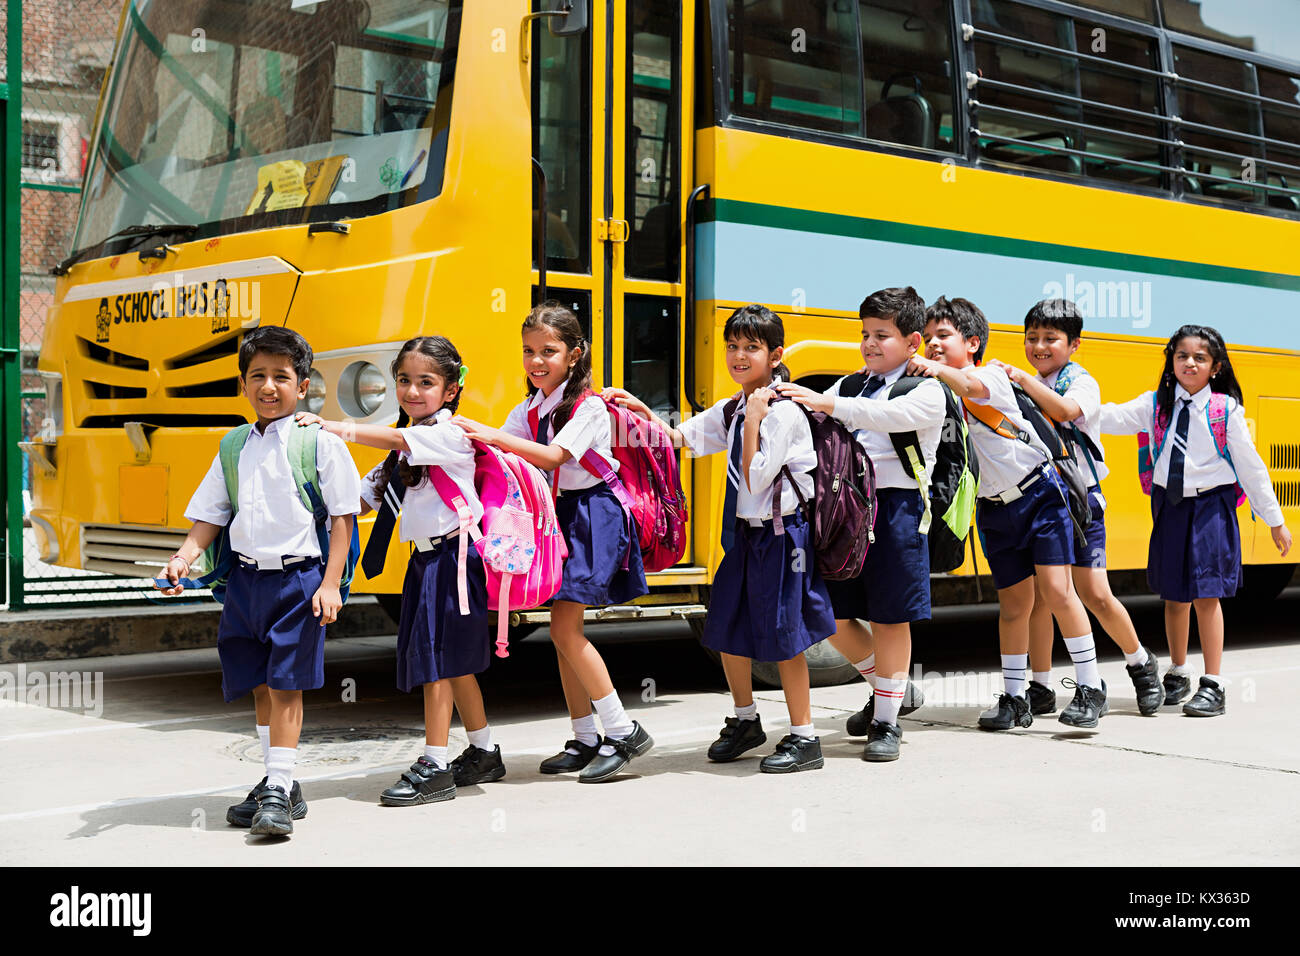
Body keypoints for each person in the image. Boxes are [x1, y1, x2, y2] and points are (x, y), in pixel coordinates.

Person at [605, 304, 835, 773]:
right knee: (727, 626)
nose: (739, 356)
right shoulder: (734, 406)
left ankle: (805, 736)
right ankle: (746, 719)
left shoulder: (783, 411)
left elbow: (754, 478)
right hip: (746, 537)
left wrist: (754, 419)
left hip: (783, 537)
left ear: (776, 355)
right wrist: (642, 409)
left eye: (752, 348)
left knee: (785, 637)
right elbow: (678, 438)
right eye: (733, 347)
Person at [158, 326, 359, 836]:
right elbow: (211, 514)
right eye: (258, 377)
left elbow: (342, 519)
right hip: (246, 585)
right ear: (243, 386)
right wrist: (183, 558)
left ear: (304, 384)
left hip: (300, 582)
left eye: (281, 377)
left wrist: (330, 584)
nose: (269, 387)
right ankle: (280, 782)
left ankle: (278, 787)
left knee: (287, 685)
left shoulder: (321, 444)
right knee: (260, 684)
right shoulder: (232, 447)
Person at [296, 335, 504, 805]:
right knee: (452, 665)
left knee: (437, 663)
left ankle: (434, 764)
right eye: (404, 381)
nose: (412, 391)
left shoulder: (449, 435)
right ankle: (484, 751)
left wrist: (334, 427)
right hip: (426, 561)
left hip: (454, 558)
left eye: (426, 382)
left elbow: (395, 437)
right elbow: (359, 496)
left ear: (450, 390)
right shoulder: (402, 454)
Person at [454, 303, 653, 782]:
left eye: (549, 351)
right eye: (528, 351)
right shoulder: (530, 407)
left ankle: (623, 731)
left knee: (566, 630)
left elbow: (552, 455)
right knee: (562, 633)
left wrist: (490, 435)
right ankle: (586, 737)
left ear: (574, 353)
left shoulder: (588, 406)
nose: (536, 360)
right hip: (560, 515)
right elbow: (503, 445)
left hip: (594, 515)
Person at [912, 297, 1108, 730]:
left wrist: (926, 365)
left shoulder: (991, 377)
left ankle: (1090, 688)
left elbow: (969, 387)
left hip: (1040, 494)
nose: (933, 346)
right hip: (994, 508)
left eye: (943, 337)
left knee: (1058, 591)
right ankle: (1016, 698)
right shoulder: (935, 389)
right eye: (927, 340)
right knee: (1014, 605)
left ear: (972, 342)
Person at [773, 287, 943, 761]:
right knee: (829, 613)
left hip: (897, 511)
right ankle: (892, 688)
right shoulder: (850, 384)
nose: (869, 343)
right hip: (845, 512)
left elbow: (887, 417)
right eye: (865, 334)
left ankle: (886, 723)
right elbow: (808, 414)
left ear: (912, 342)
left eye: (881, 335)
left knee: (891, 618)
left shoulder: (926, 390)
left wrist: (827, 404)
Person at [1101, 324, 1291, 717]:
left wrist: (1274, 520)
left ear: (1215, 367)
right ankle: (1179, 670)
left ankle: (1214, 683)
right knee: (1174, 596)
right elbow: (1112, 418)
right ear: (1171, 361)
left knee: (1207, 596)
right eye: (1182, 355)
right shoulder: (1156, 405)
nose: (1190, 363)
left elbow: (1252, 468)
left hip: (1211, 508)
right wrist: (1068, 410)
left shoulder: (1225, 411)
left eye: (1200, 358)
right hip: (1171, 506)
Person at [988, 299, 1162, 716]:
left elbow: (1065, 411)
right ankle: (1042, 687)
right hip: (1042, 502)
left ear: (1074, 344)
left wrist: (1018, 379)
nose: (1040, 347)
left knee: (1094, 593)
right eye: (1032, 338)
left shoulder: (1081, 382)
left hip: (1080, 505)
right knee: (1042, 598)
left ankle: (1140, 663)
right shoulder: (1029, 381)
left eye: (1051, 339)